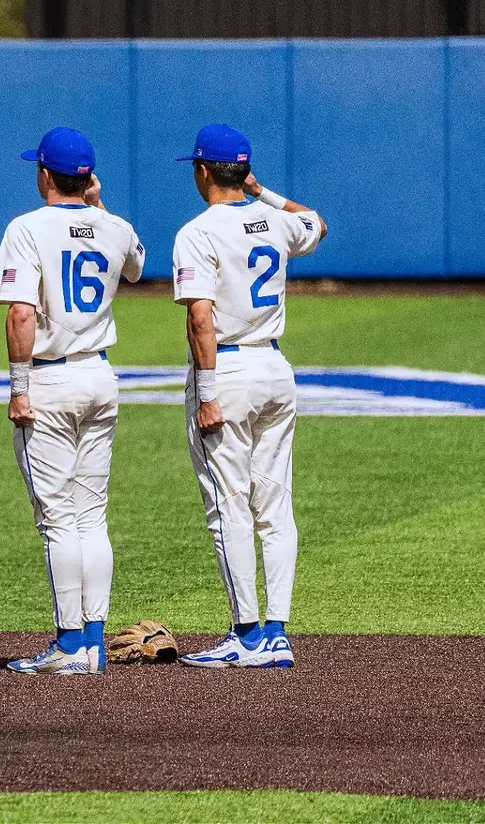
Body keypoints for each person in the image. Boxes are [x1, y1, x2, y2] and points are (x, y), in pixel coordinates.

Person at [170, 123, 327, 668]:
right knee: (274, 506)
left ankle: (246, 634)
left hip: (229, 373)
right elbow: (317, 223)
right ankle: (278, 632)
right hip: (275, 368)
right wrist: (265, 194)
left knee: (229, 506)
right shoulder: (275, 222)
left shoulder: (198, 231)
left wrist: (207, 393)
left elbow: (199, 317)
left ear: (203, 171)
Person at [0, 127, 145, 676]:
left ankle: (68, 645)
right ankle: (94, 642)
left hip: (52, 381)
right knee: (90, 518)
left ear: (44, 174)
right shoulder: (116, 226)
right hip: (100, 376)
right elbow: (137, 265)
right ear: (87, 177)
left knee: (58, 519)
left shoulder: (26, 228)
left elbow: (20, 314)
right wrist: (99, 206)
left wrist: (18, 386)